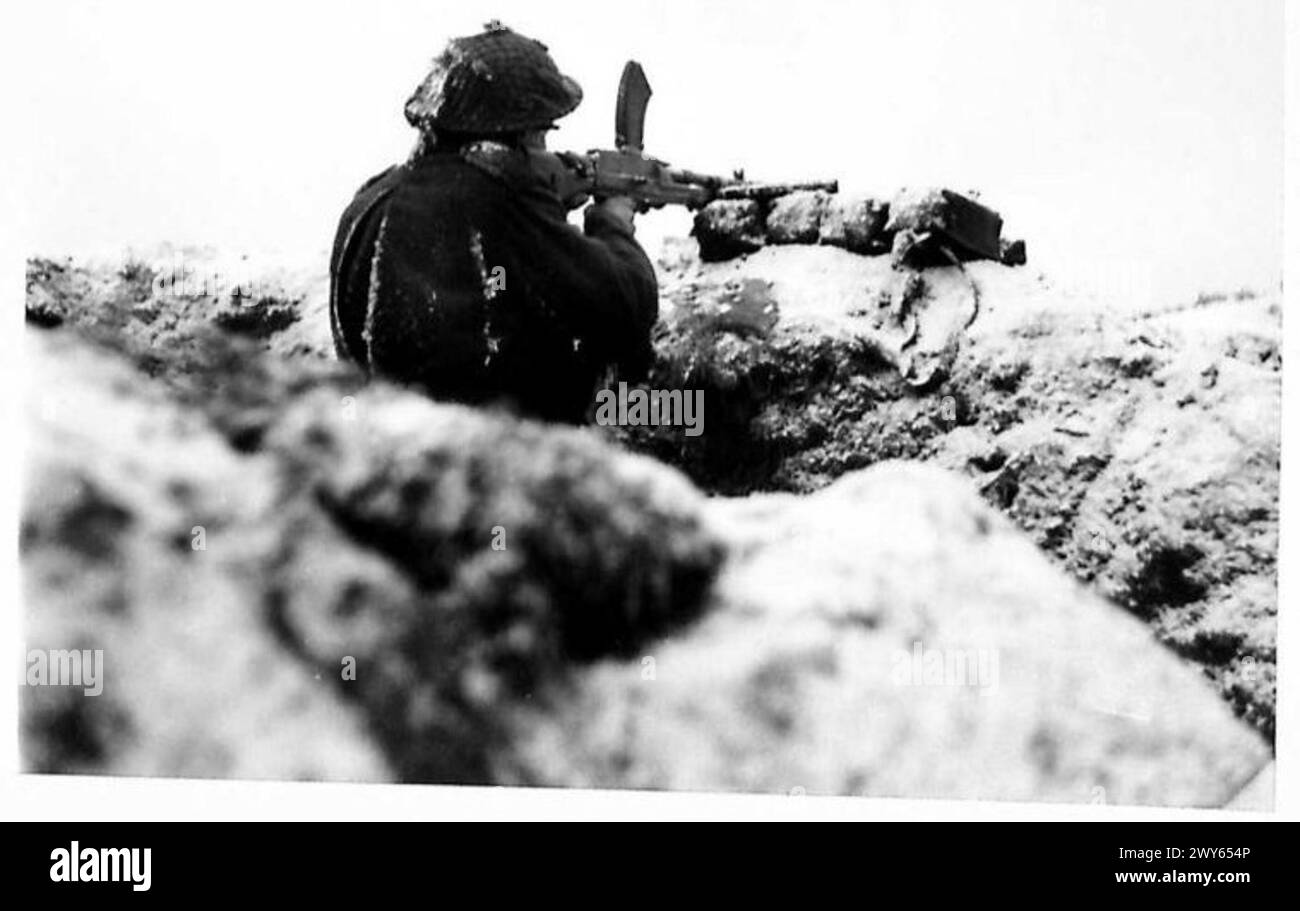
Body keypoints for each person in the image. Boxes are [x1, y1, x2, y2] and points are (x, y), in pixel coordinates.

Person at [329, 22, 658, 424]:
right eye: (541, 135)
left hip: (382, 442)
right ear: (516, 135)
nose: (543, 149)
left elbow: (489, 280)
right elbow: (625, 305)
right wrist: (613, 221)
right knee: (676, 409)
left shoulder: (369, 202)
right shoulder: (498, 199)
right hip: (495, 455)